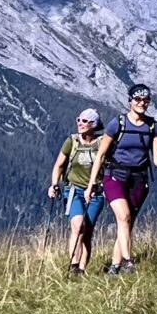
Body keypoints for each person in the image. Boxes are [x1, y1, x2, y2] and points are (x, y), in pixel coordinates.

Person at [97, 83, 157, 275]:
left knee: (127, 222)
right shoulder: (118, 123)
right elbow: (100, 155)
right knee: (123, 217)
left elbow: (156, 157)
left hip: (139, 178)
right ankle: (128, 262)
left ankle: (114, 268)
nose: (142, 103)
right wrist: (93, 183)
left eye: (146, 100)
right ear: (130, 100)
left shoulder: (153, 127)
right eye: (138, 99)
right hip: (115, 175)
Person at [46, 107, 110, 275]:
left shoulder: (102, 142)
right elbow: (59, 165)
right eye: (79, 120)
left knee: (87, 232)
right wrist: (54, 184)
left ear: (94, 125)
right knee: (78, 226)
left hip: (96, 193)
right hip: (74, 190)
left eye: (85, 121)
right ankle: (74, 265)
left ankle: (82, 270)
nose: (80, 124)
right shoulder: (72, 141)